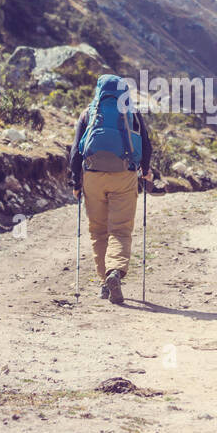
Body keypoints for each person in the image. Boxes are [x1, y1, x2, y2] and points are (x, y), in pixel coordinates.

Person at [69, 74, 153, 304]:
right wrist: (145, 171)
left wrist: (76, 182)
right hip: (124, 175)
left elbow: (75, 151)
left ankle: (104, 284)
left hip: (92, 176)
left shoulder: (88, 113)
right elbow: (146, 146)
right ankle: (114, 271)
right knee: (120, 229)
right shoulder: (132, 113)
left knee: (98, 231)